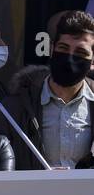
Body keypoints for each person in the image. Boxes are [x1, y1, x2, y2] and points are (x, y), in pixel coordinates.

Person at [7, 9, 94, 170]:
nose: (70, 58)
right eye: (63, 48)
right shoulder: (17, 105)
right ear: (52, 48)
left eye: (81, 52)